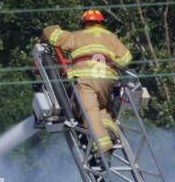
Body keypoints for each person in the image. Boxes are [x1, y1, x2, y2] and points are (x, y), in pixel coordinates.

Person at [42, 9, 132, 155]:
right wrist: (113, 62)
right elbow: (126, 58)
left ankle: (102, 147)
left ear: (84, 23)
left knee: (89, 112)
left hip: (86, 82)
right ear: (102, 23)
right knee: (103, 109)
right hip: (107, 82)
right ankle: (110, 132)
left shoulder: (77, 36)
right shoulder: (111, 37)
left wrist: (49, 30)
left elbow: (53, 35)